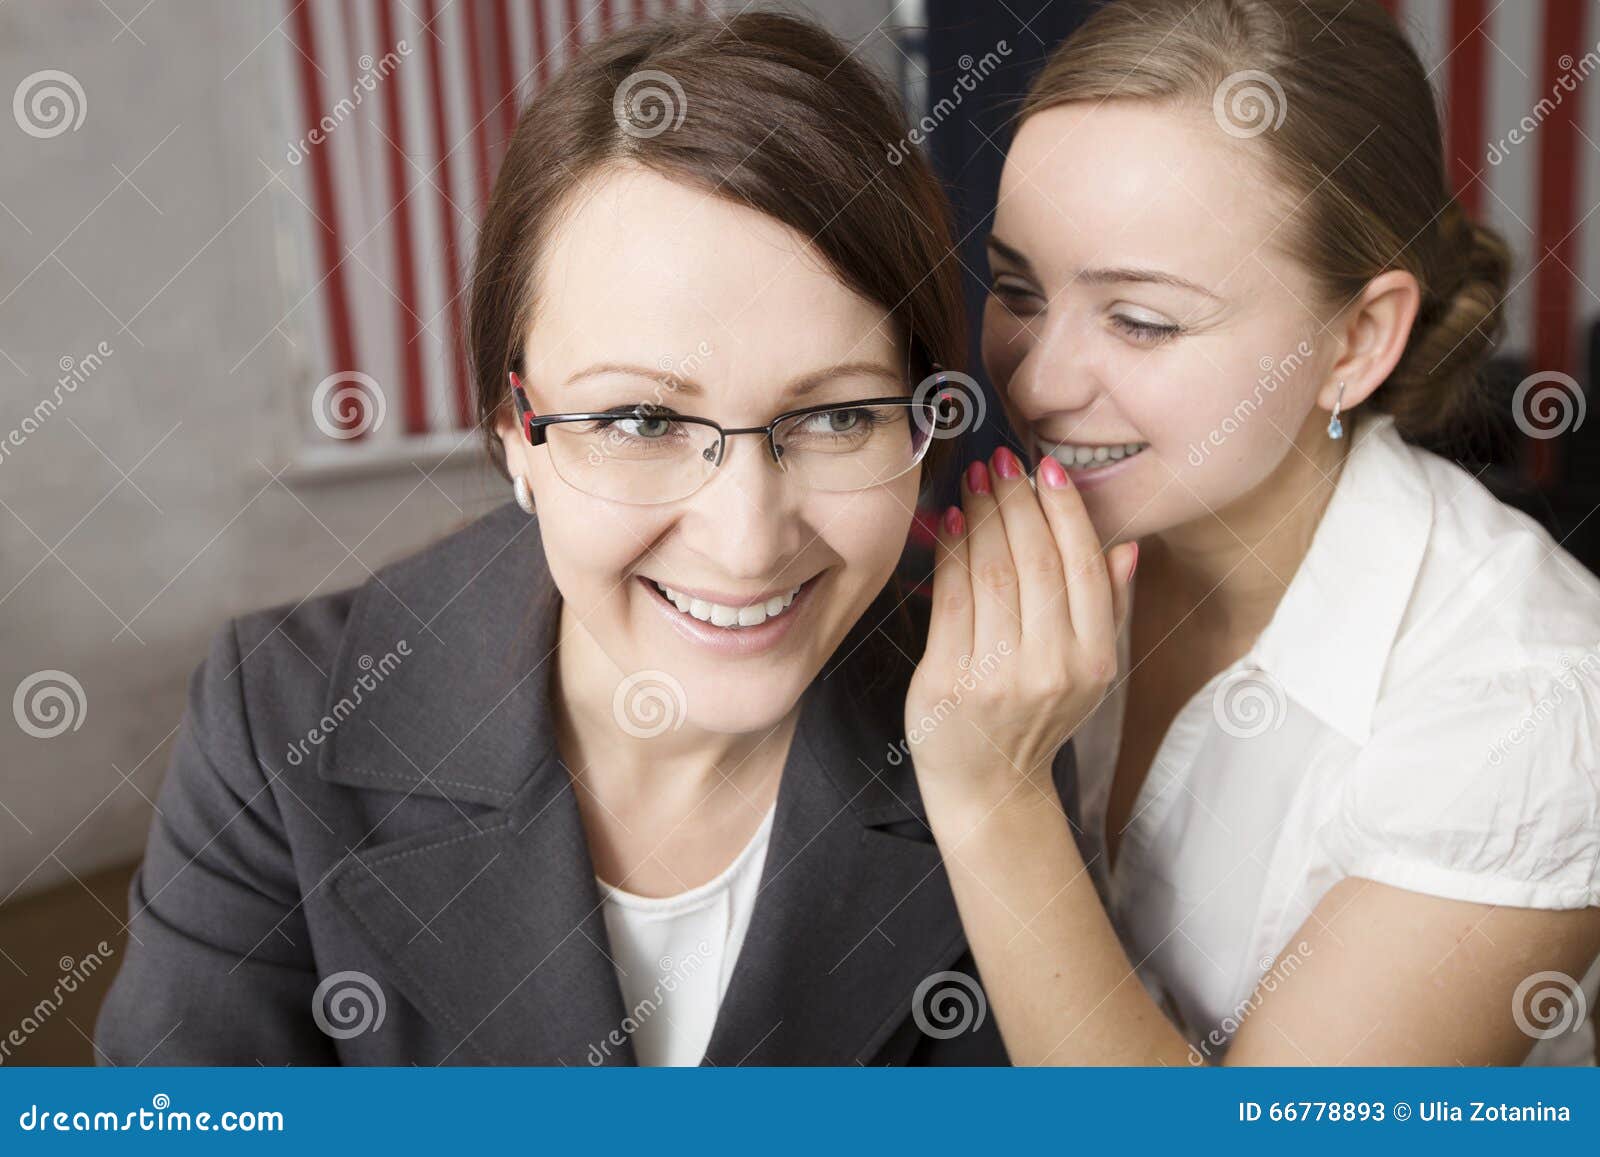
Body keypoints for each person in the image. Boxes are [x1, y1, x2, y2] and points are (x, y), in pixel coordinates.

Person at [96, 11, 1026, 1066]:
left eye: (837, 414)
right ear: (515, 432)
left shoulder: (990, 712)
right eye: (641, 421)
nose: (746, 542)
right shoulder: (281, 721)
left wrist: (1002, 798)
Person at [908, 0, 1600, 1065]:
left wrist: (993, 796)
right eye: (1016, 291)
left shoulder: (1528, 705)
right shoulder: (1023, 560)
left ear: (1356, 339)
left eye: (1142, 320)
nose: (1036, 384)